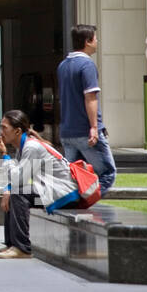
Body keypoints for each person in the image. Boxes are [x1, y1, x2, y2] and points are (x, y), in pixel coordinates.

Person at [0, 109, 78, 258]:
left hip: (64, 193)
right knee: (13, 193)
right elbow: (18, 176)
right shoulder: (24, 146)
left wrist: (4, 155)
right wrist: (7, 190)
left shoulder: (31, 147)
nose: (1, 131)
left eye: (4, 127)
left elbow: (19, 179)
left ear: (17, 131)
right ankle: (11, 245)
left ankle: (22, 248)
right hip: (51, 190)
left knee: (18, 194)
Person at [56, 24, 116, 196]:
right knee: (107, 174)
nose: (97, 41)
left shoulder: (63, 65)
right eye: (95, 38)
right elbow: (90, 98)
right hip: (85, 131)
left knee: (72, 177)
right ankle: (84, 204)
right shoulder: (87, 65)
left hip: (67, 132)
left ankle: (73, 208)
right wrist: (94, 127)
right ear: (88, 41)